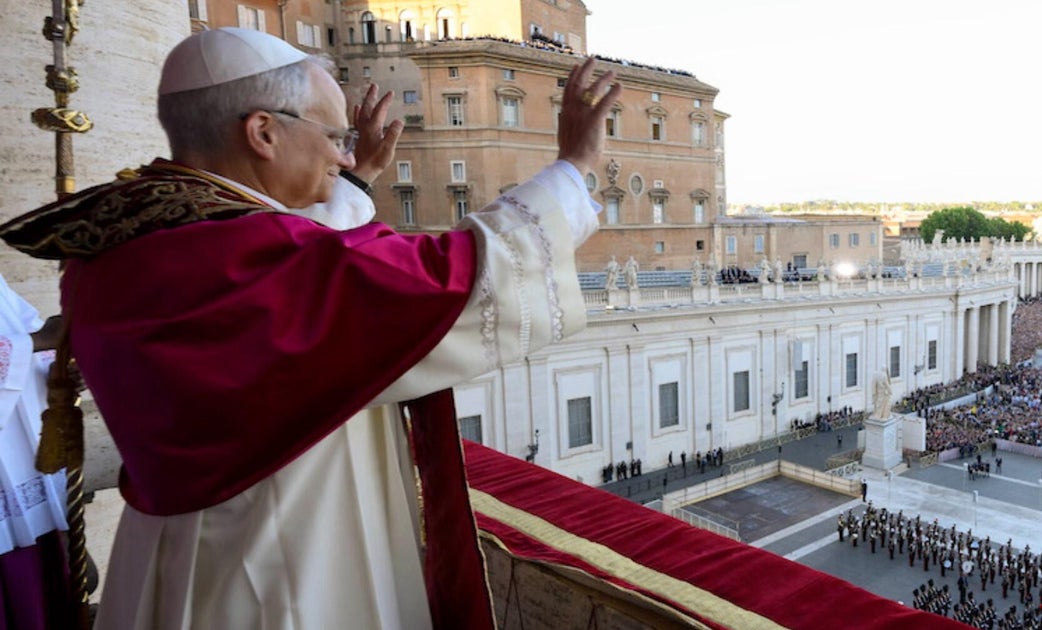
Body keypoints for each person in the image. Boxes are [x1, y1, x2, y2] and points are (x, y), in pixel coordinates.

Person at [0, 27, 622, 630]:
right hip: (274, 565)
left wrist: (351, 183)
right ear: (263, 131)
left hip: (178, 548)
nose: (345, 153)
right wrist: (572, 167)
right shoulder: (247, 259)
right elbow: (451, 277)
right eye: (333, 136)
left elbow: (302, 251)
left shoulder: (134, 234)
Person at [0, 275, 70, 629]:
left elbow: (29, 331)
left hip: (23, 463)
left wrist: (59, 365)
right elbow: (37, 337)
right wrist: (41, 340)